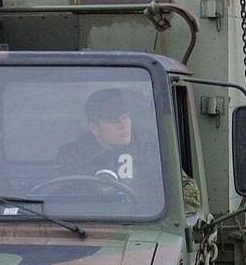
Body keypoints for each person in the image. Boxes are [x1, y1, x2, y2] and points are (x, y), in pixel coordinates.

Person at [57, 88, 199, 213]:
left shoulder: (149, 151)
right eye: (113, 120)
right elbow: (58, 199)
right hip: (89, 227)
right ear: (94, 128)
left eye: (125, 117)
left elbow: (187, 191)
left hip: (142, 228)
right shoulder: (73, 156)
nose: (123, 125)